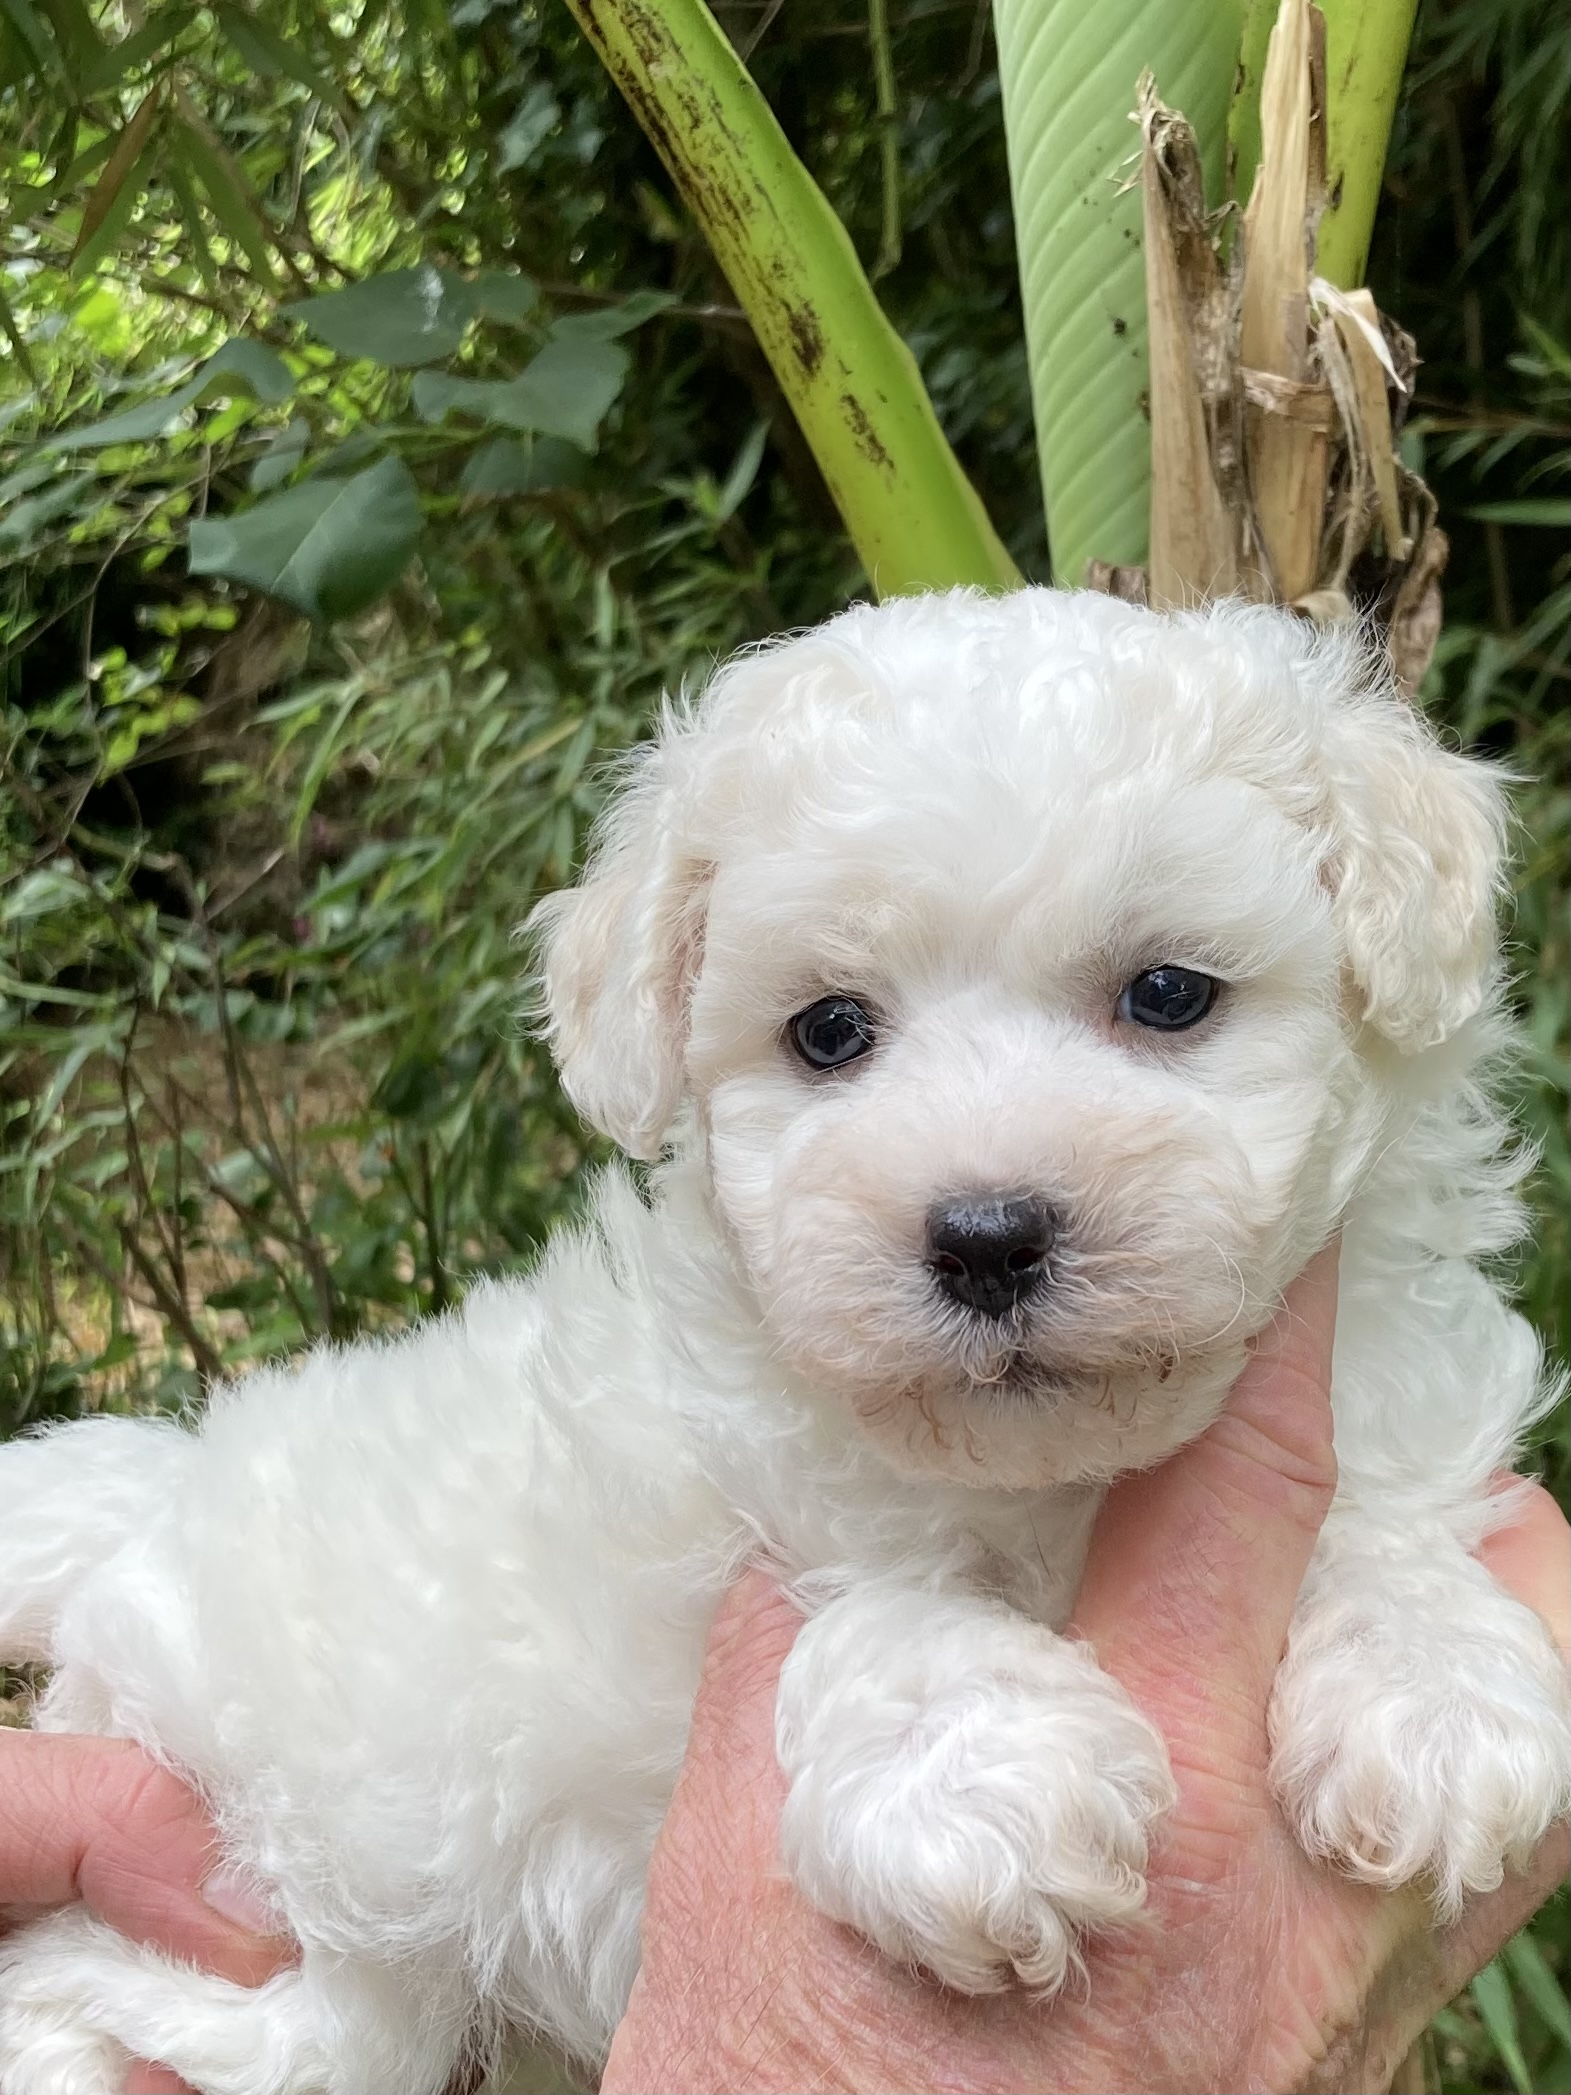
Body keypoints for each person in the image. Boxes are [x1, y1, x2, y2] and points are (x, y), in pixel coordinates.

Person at [5, 1248, 1567, 2095]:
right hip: (282, 1793)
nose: (988, 1191)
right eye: (837, 1033)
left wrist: (1400, 1596)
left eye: (1165, 996)